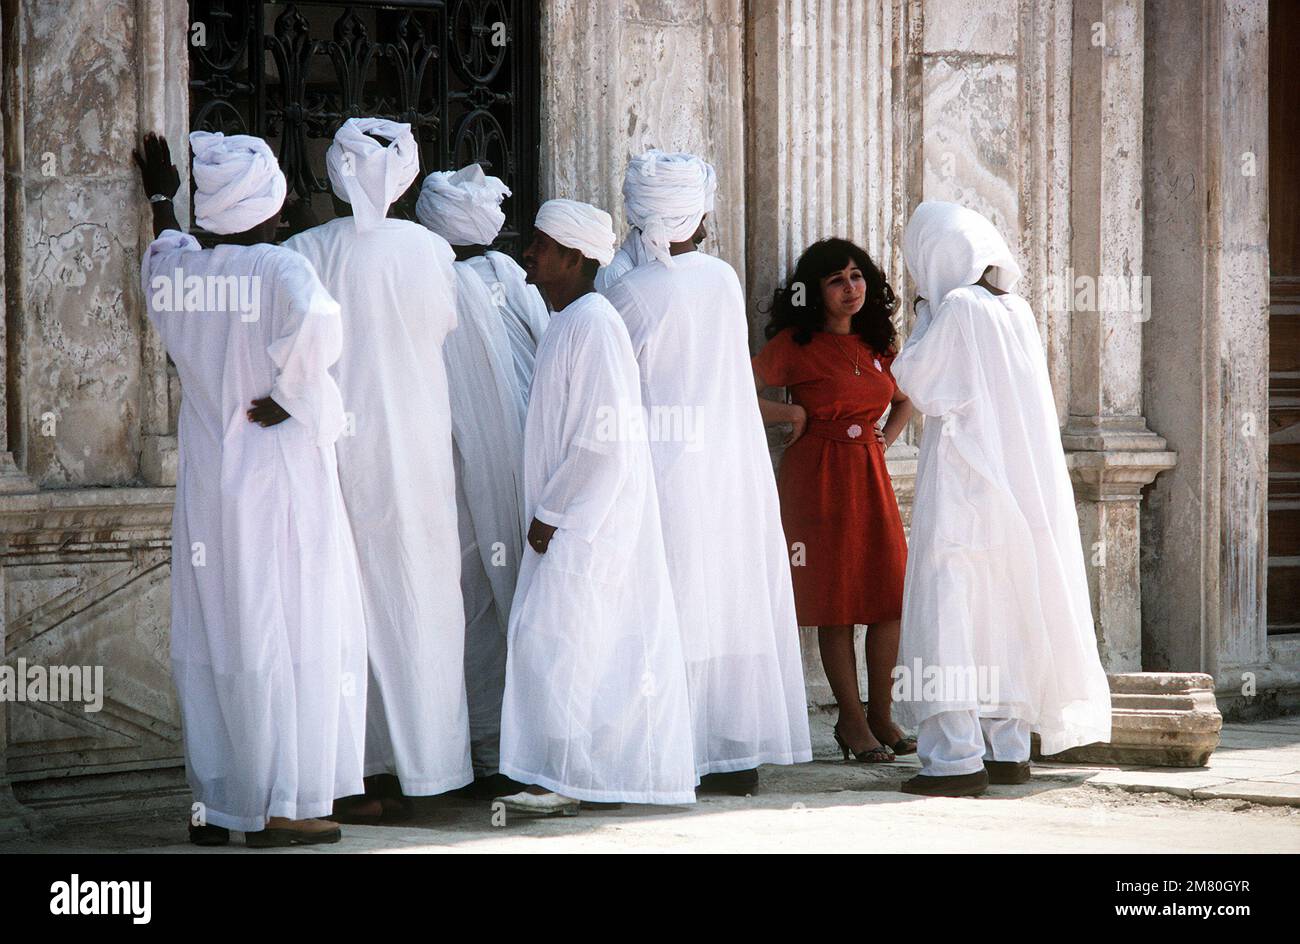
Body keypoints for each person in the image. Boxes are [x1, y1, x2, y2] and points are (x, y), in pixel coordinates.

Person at [135, 131, 366, 847]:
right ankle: (281, 806)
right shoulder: (277, 268)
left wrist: (160, 197)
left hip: (211, 487)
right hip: (278, 481)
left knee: (219, 632)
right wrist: (295, 394)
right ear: (264, 210)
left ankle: (221, 804)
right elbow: (321, 324)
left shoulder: (184, 273)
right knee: (286, 630)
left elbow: (165, 249)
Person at [602, 151, 811, 795]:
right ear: (696, 215)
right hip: (725, 466)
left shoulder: (624, 291)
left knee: (666, 602)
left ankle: (674, 748)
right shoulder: (718, 278)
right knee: (720, 603)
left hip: (660, 468)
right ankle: (729, 752)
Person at [890, 201, 1112, 797]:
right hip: (1013, 490)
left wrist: (922, 317)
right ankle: (1008, 751)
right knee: (1005, 612)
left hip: (966, 487)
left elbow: (915, 380)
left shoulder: (958, 308)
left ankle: (954, 761)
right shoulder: (1014, 309)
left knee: (953, 613)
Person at [284, 118, 472, 817]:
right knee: (419, 601)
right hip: (414, 454)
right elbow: (440, 328)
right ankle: (428, 769)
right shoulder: (430, 252)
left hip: (334, 455)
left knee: (347, 607)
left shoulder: (304, 251)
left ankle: (356, 770)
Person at [496, 199, 697, 815]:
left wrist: (552, 511)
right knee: (569, 642)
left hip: (588, 517)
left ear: (575, 258)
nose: (528, 255)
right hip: (579, 514)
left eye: (541, 245)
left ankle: (563, 778)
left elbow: (603, 438)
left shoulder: (594, 322)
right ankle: (576, 776)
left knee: (561, 641)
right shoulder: (571, 319)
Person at [752, 238, 914, 764]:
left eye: (857, 277)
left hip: (869, 475)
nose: (851, 289)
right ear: (814, 293)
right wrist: (791, 416)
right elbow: (731, 384)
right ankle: (850, 719)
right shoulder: (796, 345)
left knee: (889, 596)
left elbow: (907, 395)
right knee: (838, 602)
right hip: (815, 478)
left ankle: (882, 714)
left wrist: (881, 442)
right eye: (836, 280)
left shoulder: (877, 344)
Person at [414, 163, 549, 794]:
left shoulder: (431, 280)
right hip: (520, 471)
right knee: (508, 600)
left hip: (452, 475)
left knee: (467, 603)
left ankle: (474, 752)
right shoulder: (512, 279)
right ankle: (509, 751)